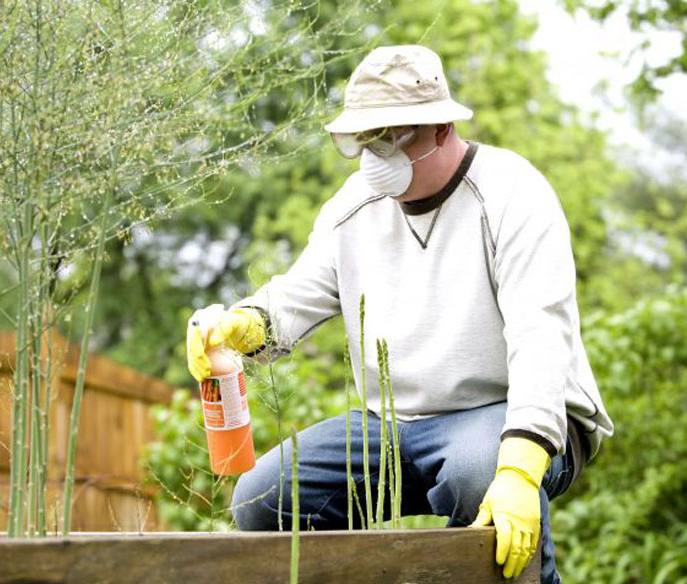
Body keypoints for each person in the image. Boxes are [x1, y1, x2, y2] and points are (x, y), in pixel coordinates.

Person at [186, 45, 613, 583]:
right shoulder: (353, 206)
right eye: (364, 139)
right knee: (264, 500)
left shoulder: (512, 192)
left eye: (391, 136)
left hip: (507, 417)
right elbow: (295, 299)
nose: (375, 156)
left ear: (439, 127)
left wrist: (521, 464)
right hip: (389, 425)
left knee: (477, 475)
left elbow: (541, 338)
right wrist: (238, 325)